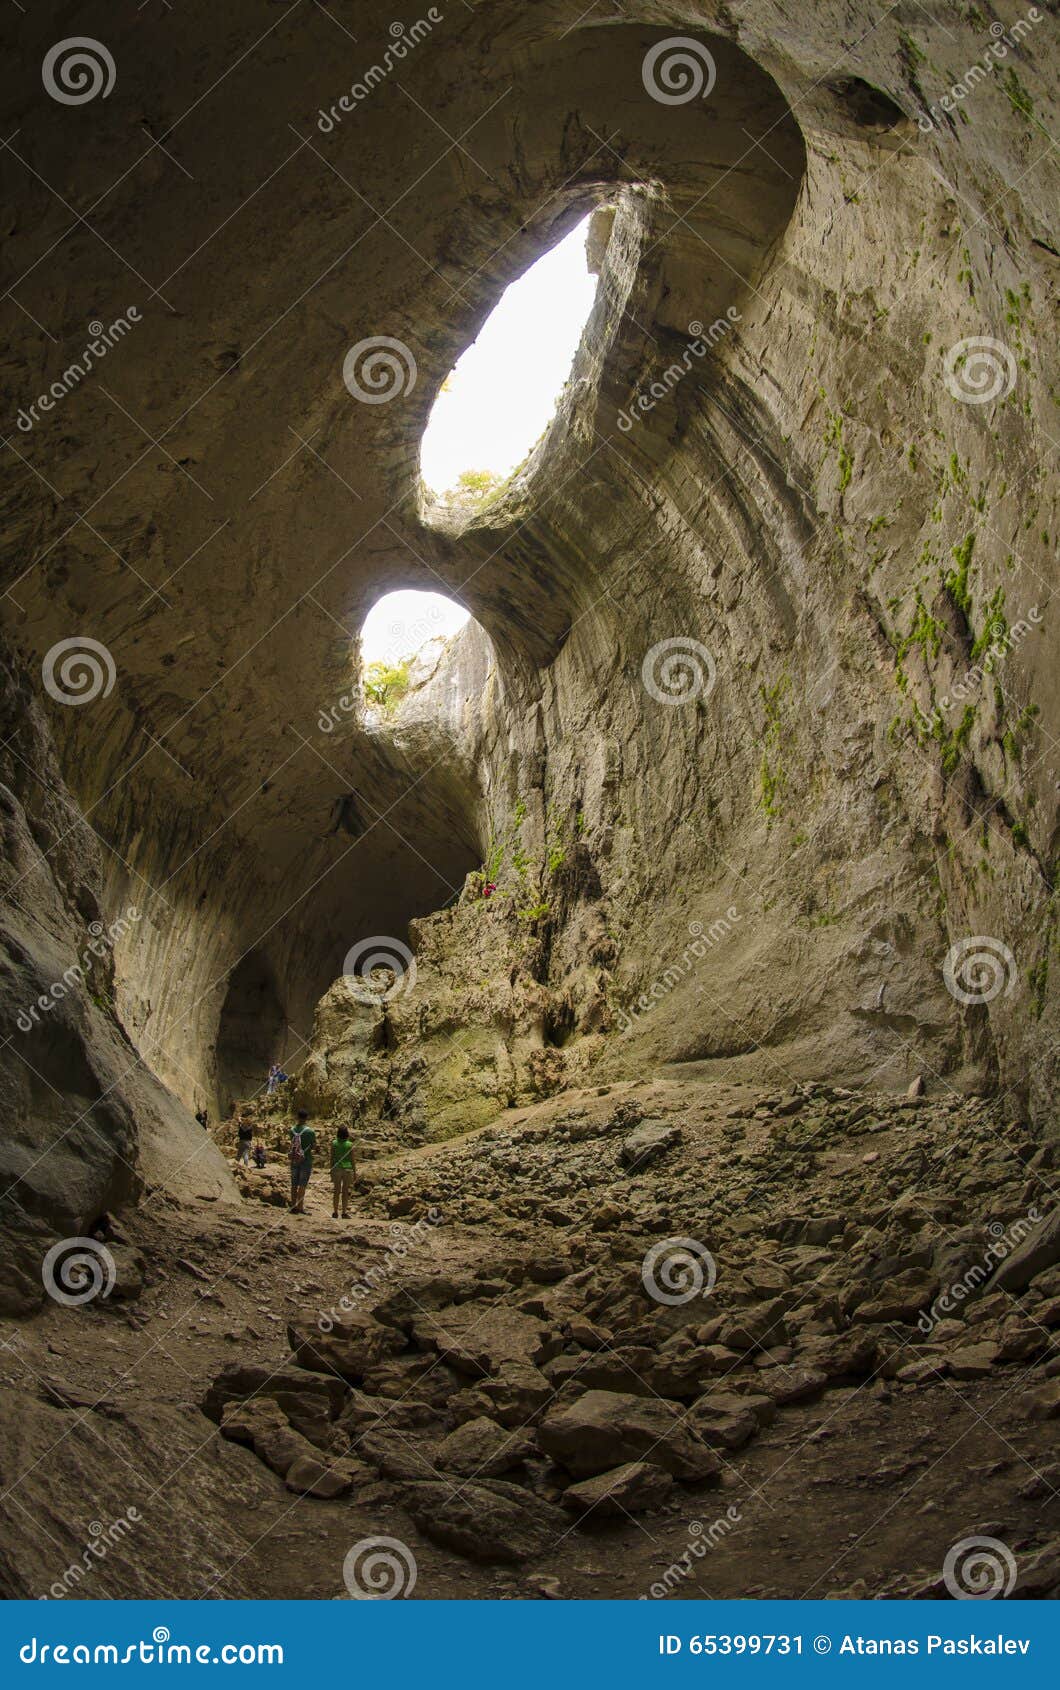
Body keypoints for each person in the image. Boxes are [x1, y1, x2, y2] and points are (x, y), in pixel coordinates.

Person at [289, 1110, 316, 1213]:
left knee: (294, 1183)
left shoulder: (292, 1130)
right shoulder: (310, 1131)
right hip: (306, 1159)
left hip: (294, 1159)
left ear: (297, 1117)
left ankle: (293, 1206)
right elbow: (313, 1146)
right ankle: (300, 1207)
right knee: (302, 1184)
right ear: (306, 1118)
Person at [329, 1125, 356, 1219]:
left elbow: (331, 1158)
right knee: (345, 1191)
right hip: (347, 1169)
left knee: (336, 1191)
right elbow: (352, 1160)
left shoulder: (334, 1143)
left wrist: (331, 1169)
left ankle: (335, 1212)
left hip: (336, 1168)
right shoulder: (350, 1144)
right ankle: (344, 1212)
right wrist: (355, 1172)